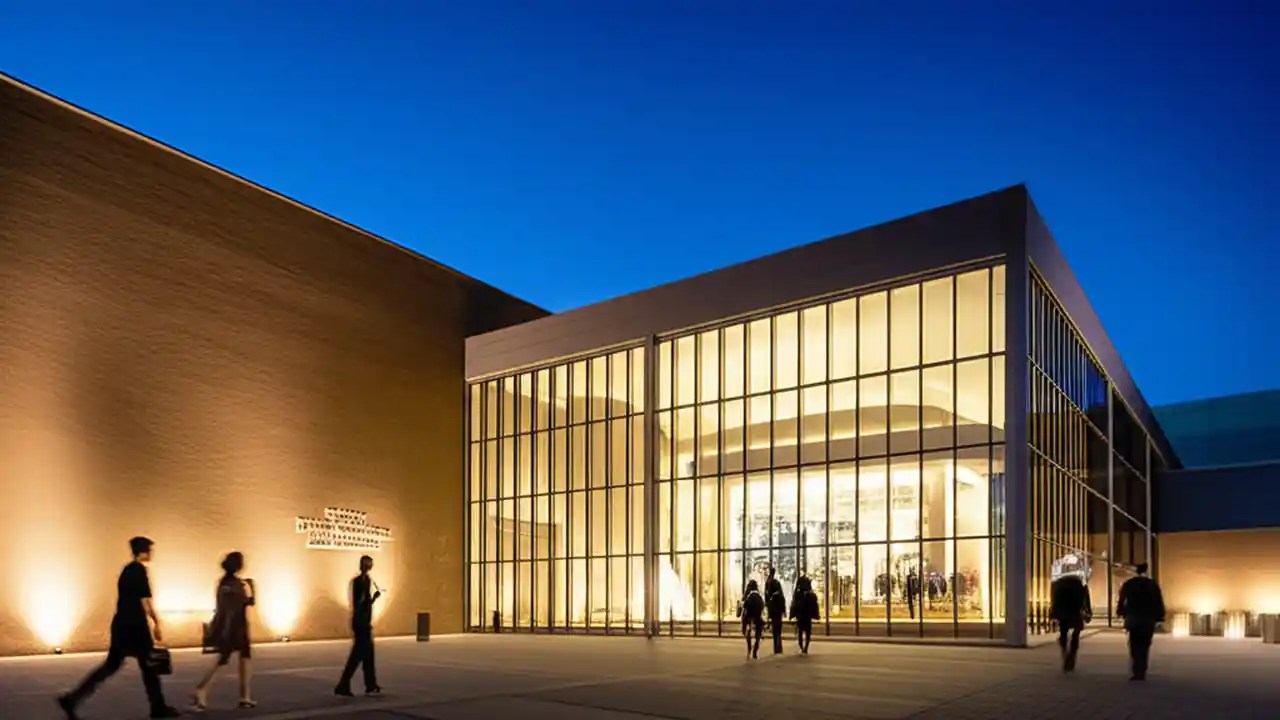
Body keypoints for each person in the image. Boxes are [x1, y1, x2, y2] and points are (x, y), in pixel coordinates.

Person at [58, 537, 181, 719]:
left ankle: (73, 698)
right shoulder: (140, 571)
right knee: (149, 668)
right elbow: (145, 601)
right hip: (136, 627)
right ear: (144, 552)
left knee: (110, 666)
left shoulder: (126, 570)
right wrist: (156, 622)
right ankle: (158, 708)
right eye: (149, 550)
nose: (151, 553)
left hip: (121, 625)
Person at [192, 552, 256, 710]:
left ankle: (244, 696)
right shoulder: (237, 585)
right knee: (234, 658)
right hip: (237, 625)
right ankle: (202, 688)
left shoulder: (223, 583)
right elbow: (248, 602)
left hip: (228, 625)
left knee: (237, 658)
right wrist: (252, 588)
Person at [335, 555, 382, 696]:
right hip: (361, 623)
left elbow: (363, 603)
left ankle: (370, 684)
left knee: (368, 654)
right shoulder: (360, 582)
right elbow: (359, 604)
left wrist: (372, 599)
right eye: (368, 564)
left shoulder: (365, 580)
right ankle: (343, 684)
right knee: (358, 655)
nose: (369, 566)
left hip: (363, 622)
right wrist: (372, 599)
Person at [1117, 563, 1165, 681]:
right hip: (1148, 618)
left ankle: (1136, 669)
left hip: (1134, 616)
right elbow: (1159, 601)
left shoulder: (1129, 584)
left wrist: (1121, 612)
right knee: (1145, 644)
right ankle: (1142, 668)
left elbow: (1122, 600)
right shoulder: (1152, 584)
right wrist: (1160, 616)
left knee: (1134, 643)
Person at [1049, 572, 1092, 671]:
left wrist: (1053, 613)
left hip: (1063, 612)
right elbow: (1086, 599)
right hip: (1075, 612)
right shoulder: (1080, 584)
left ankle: (1065, 652)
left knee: (1063, 632)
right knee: (1075, 634)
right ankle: (1072, 653)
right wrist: (1088, 612)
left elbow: (1054, 600)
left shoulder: (1058, 584)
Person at [789, 575, 821, 655]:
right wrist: (816, 615)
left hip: (800, 615)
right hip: (807, 615)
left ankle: (802, 647)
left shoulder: (798, 593)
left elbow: (794, 604)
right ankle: (805, 647)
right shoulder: (810, 593)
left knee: (800, 631)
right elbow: (814, 605)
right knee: (807, 632)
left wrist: (792, 614)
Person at [738, 580, 765, 659]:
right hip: (757, 617)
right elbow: (762, 606)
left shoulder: (748, 595)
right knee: (758, 636)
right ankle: (755, 651)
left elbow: (745, 606)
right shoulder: (758, 596)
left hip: (749, 618)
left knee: (748, 633)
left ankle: (749, 647)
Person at [764, 568, 787, 655]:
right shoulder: (776, 583)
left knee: (775, 630)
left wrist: (767, 606)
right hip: (777, 611)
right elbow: (782, 599)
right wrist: (784, 611)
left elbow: (766, 595)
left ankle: (776, 647)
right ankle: (779, 647)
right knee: (778, 629)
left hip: (772, 610)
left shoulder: (768, 582)